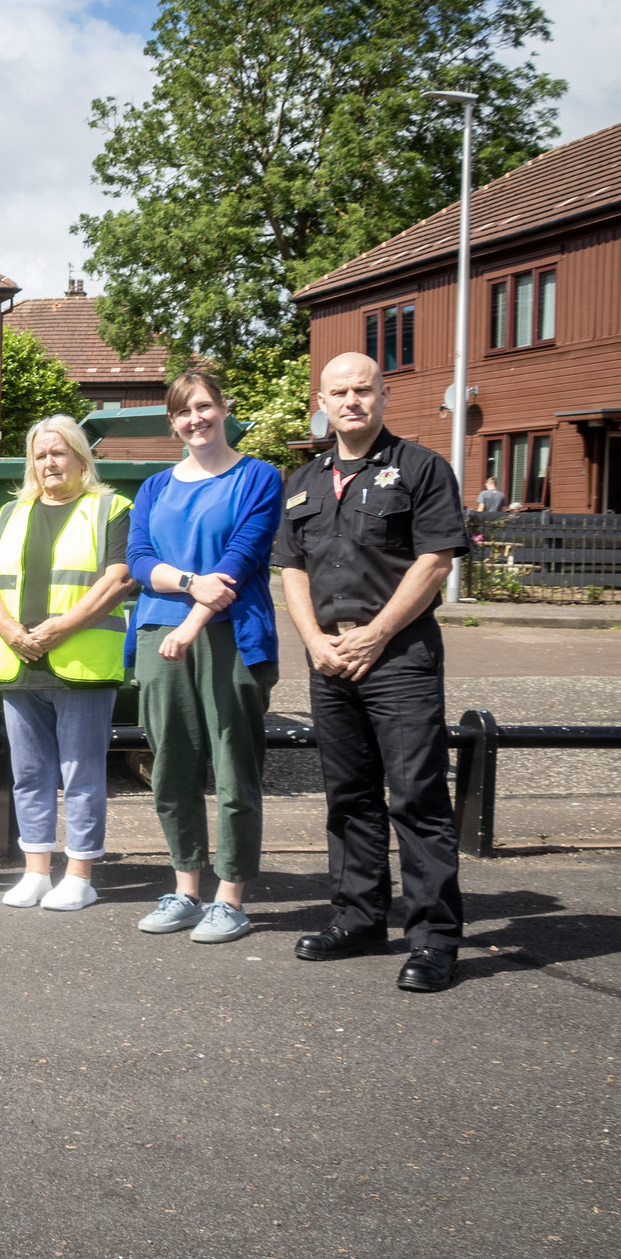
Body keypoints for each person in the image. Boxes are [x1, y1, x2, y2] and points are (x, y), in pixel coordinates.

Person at [275, 352, 469, 993]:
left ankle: (434, 941)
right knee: (350, 796)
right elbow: (292, 568)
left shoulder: (421, 468)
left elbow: (435, 561)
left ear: (383, 395)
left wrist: (377, 634)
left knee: (416, 797)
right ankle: (358, 918)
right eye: (339, 392)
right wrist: (313, 640)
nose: (351, 401)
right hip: (330, 660)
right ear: (322, 403)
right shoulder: (303, 480)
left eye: (363, 389)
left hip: (399, 659)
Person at [125, 371, 283, 944]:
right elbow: (139, 559)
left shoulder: (259, 477)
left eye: (204, 406)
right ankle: (186, 890)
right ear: (173, 423)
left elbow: (242, 557)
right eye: (183, 412)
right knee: (172, 767)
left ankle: (230, 897)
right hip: (158, 636)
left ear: (224, 408)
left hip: (232, 637)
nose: (196, 419)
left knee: (235, 768)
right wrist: (191, 583)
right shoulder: (154, 487)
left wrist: (193, 621)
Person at [0, 415, 132, 912]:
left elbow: (119, 579)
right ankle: (36, 872)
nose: (49, 462)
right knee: (29, 774)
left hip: (82, 666)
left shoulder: (110, 508)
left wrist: (60, 628)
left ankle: (80, 876)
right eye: (40, 455)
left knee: (81, 774)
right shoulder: (10, 513)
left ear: (81, 458)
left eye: (59, 452)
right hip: (20, 663)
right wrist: (9, 630)